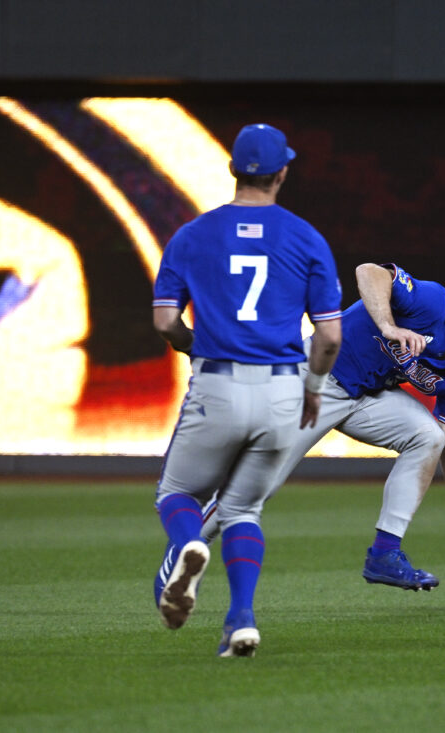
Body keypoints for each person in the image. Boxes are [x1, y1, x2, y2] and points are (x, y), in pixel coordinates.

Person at [195, 262, 445, 591]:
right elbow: (369, 272)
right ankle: (187, 546)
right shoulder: (436, 306)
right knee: (258, 487)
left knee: (429, 437)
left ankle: (384, 554)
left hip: (365, 397)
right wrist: (388, 325)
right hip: (319, 378)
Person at [151, 123, 342, 657]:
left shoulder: (192, 235)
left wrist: (195, 347)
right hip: (284, 389)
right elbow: (329, 334)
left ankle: (189, 542)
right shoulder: (306, 237)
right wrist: (314, 386)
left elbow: (165, 320)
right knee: (243, 512)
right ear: (282, 172)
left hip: (218, 381)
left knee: (178, 496)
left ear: (234, 169)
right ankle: (241, 621)